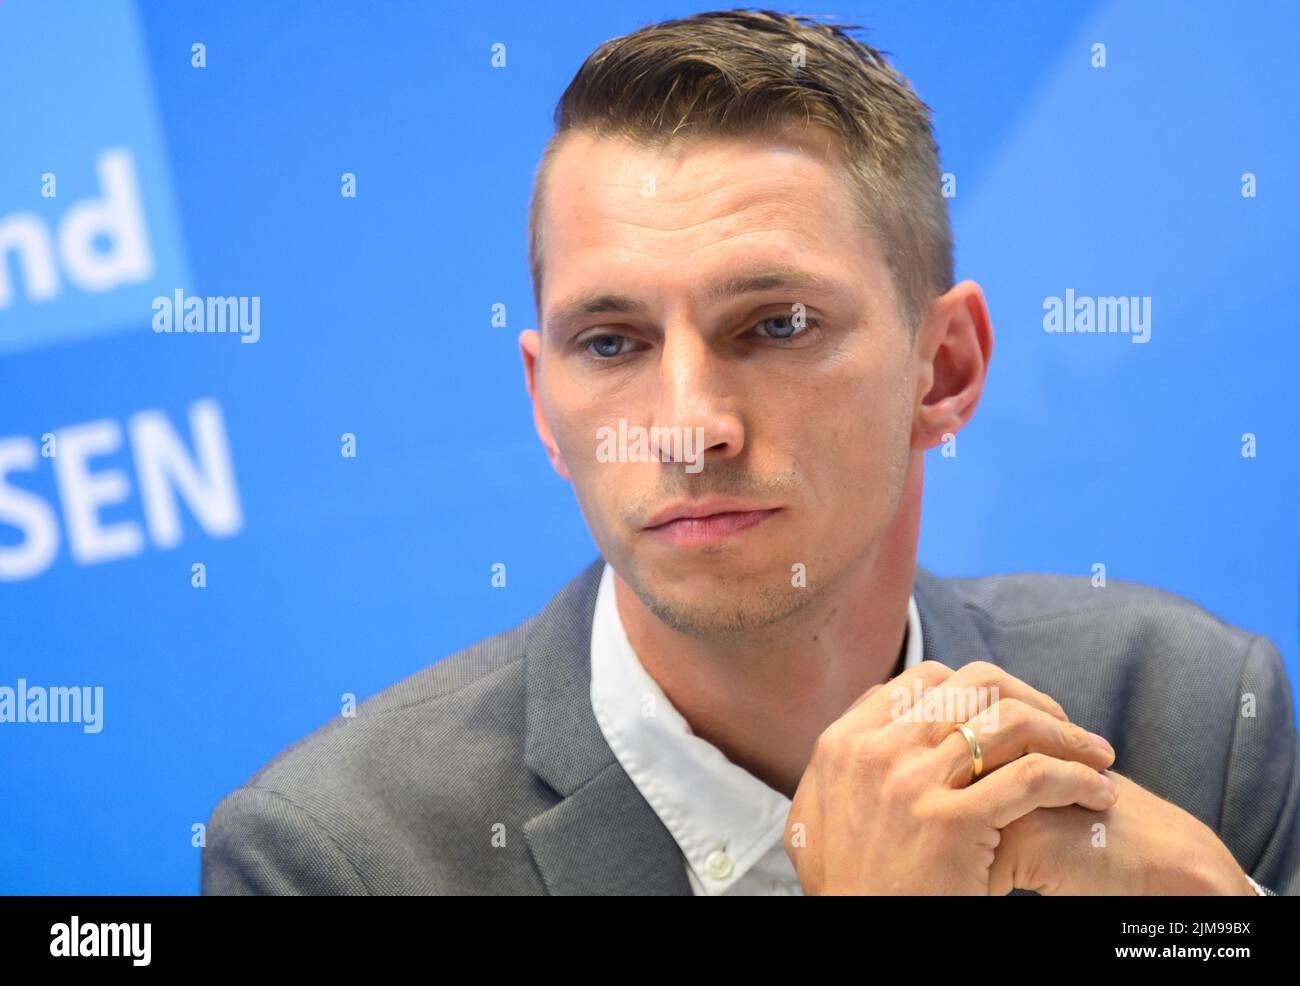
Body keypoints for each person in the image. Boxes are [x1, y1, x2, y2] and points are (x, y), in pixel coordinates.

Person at [201, 9, 1297, 895]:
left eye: (775, 324)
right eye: (613, 341)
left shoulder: (1189, 716)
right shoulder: (330, 855)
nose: (686, 422)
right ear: (545, 406)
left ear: (945, 367)